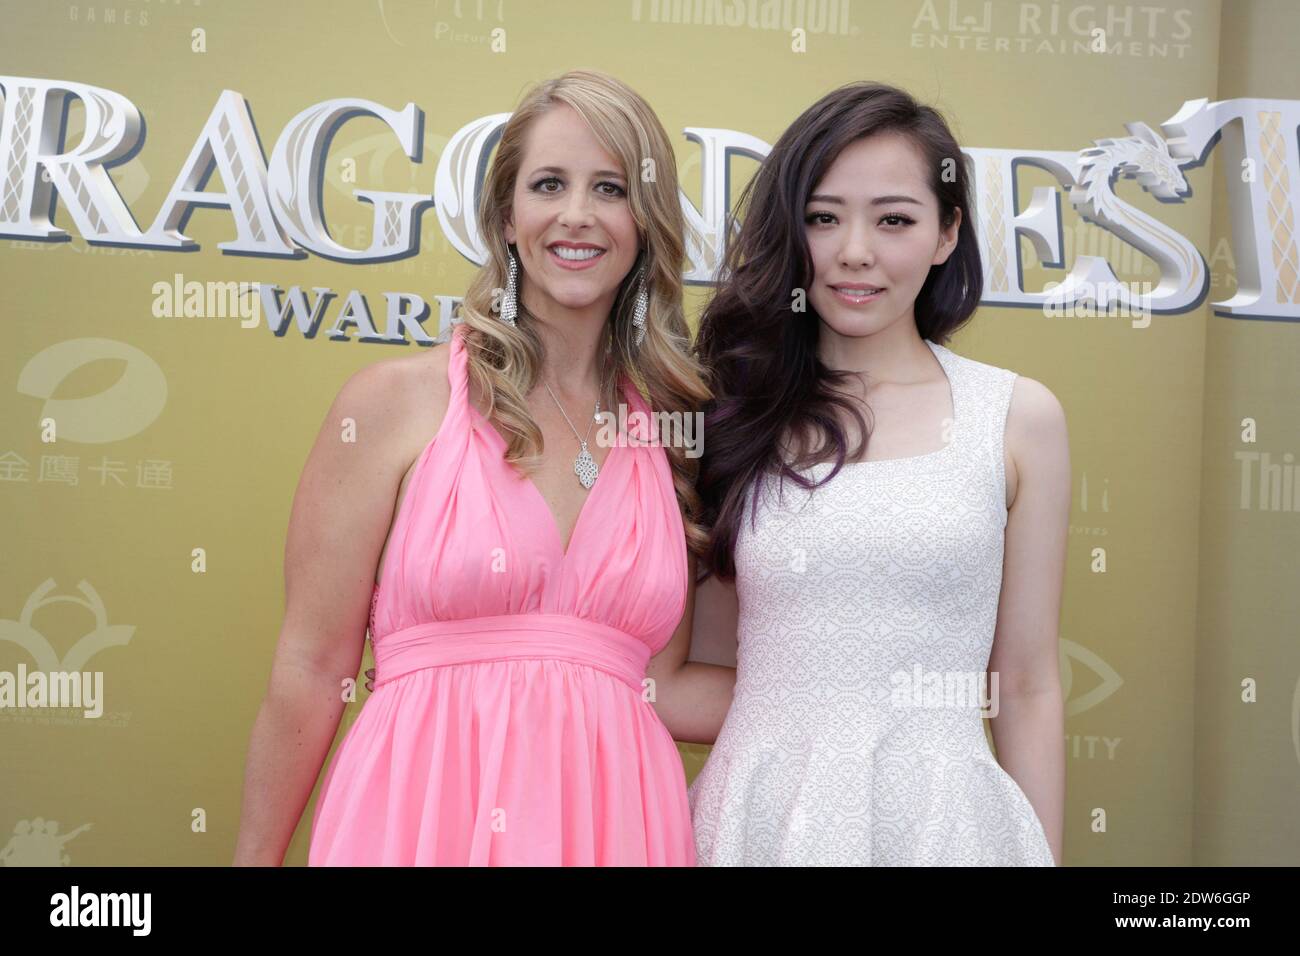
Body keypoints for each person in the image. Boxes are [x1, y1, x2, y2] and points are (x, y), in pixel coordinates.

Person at [234, 69, 719, 866]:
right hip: (416, 820)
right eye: (549, 184)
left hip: (615, 829)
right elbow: (313, 667)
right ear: (505, 214)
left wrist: (881, 700)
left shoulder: (673, 436)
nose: (576, 216)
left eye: (610, 188)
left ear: (646, 220)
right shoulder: (397, 403)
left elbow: (665, 686)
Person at [685, 81, 1069, 865]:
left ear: (946, 232)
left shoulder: (1019, 418)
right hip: (761, 823)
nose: (855, 250)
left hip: (948, 830)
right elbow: (713, 672)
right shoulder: (733, 416)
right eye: (824, 218)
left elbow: (1026, 686)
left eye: (894, 219)